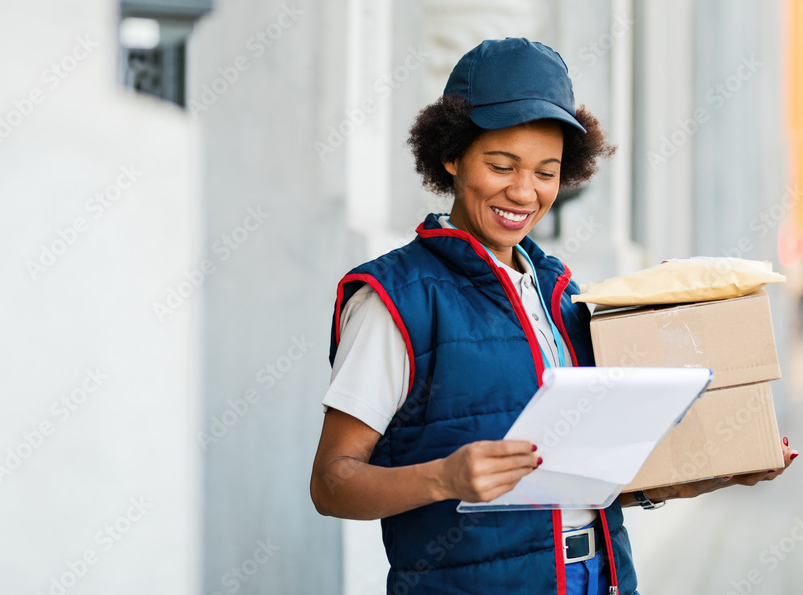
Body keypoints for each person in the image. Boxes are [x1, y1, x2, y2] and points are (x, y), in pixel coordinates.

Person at [309, 38, 796, 595]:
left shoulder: (563, 294)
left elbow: (583, 482)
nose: (523, 191)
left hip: (598, 579)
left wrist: (703, 475)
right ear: (451, 154)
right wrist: (444, 477)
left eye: (546, 171)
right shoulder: (394, 299)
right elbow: (331, 484)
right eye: (500, 164)